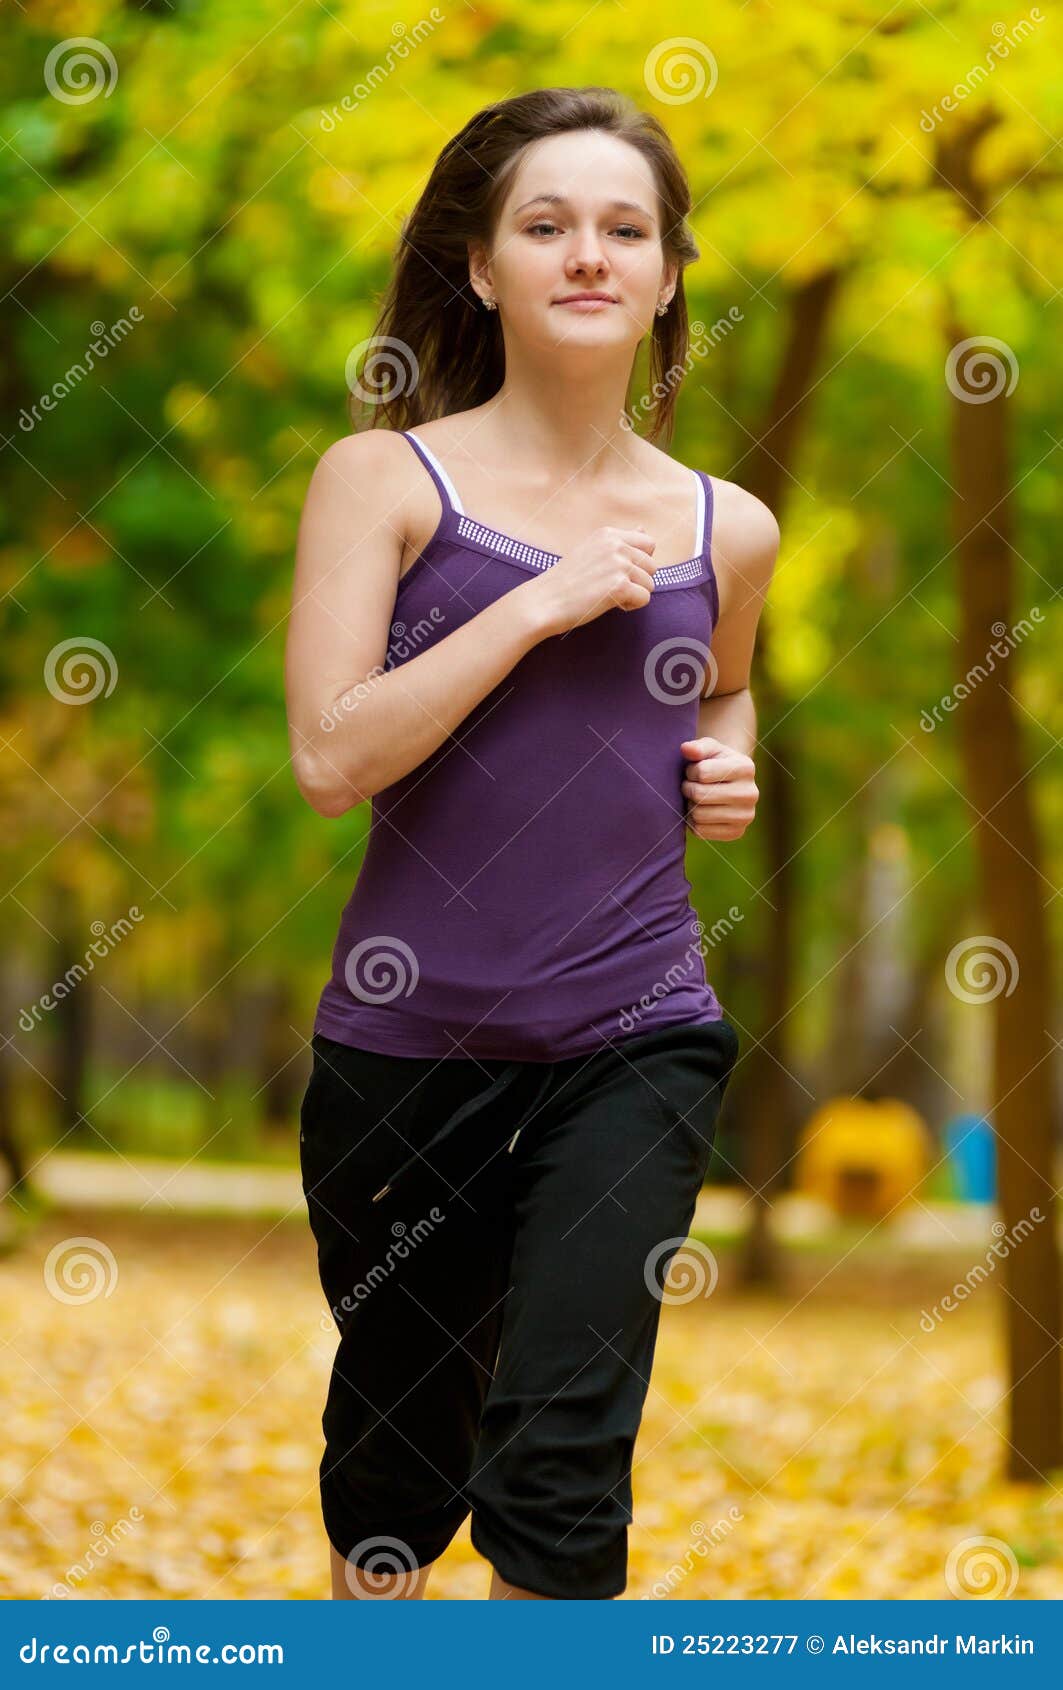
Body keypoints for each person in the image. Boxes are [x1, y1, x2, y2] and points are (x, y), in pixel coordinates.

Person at [285, 85, 778, 1602]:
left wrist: (731, 765)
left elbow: (733, 683)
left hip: (637, 1033)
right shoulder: (384, 480)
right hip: (410, 1044)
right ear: (482, 267)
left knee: (564, 1468)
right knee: (395, 1475)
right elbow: (329, 756)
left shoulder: (727, 527)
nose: (588, 254)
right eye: (545, 225)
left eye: (624, 228)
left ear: (669, 271)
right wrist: (538, 603)